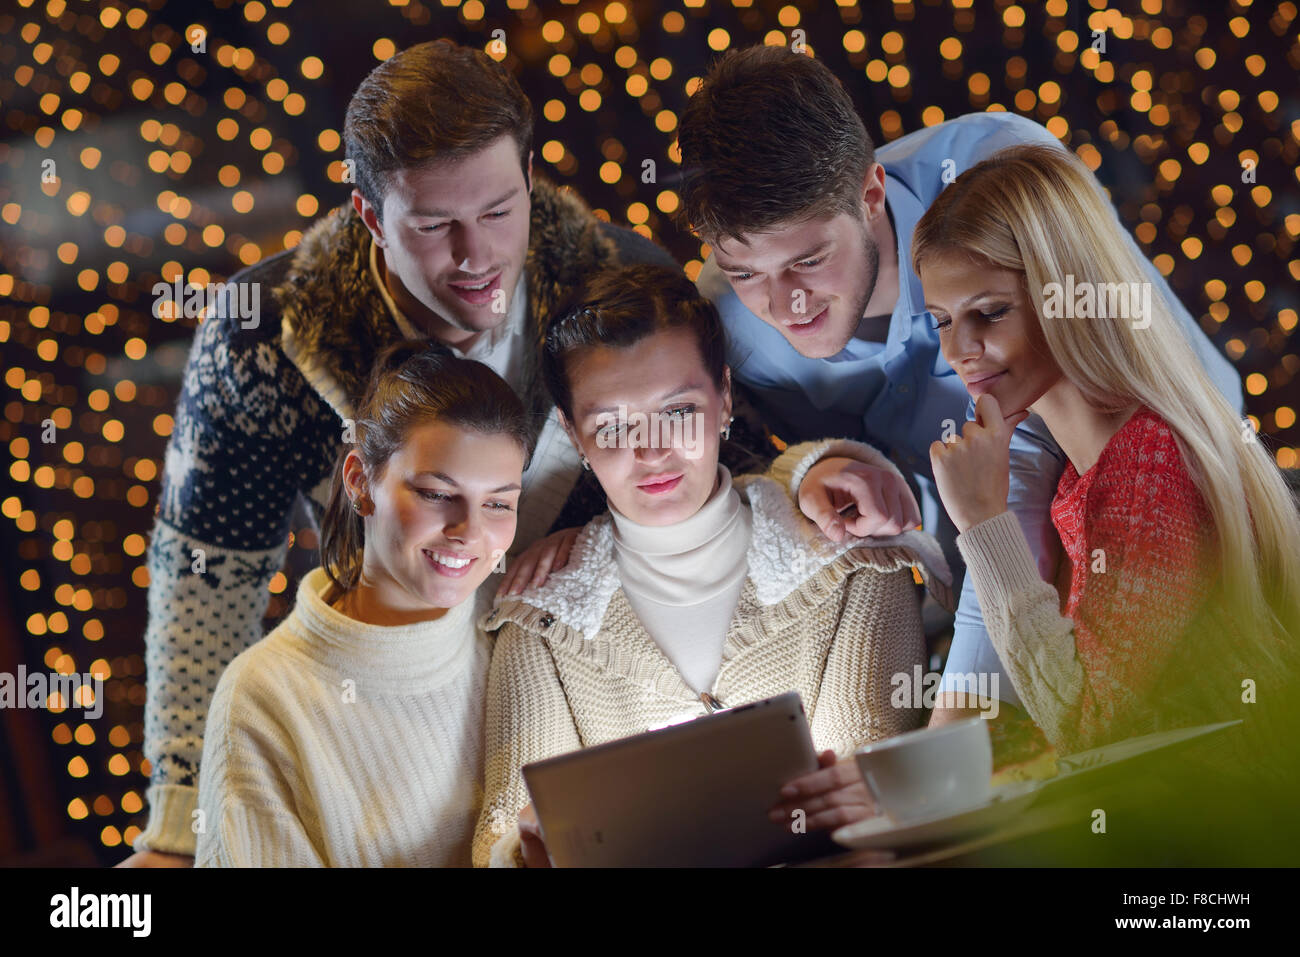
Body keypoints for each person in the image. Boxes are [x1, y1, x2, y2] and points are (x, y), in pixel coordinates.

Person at [125, 39, 681, 866]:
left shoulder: (622, 286)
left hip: (598, 703)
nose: (478, 256)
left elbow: (727, 475)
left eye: (499, 211)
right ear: (370, 217)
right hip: (388, 713)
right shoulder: (261, 335)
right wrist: (178, 826)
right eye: (434, 226)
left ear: (530, 178)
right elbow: (208, 571)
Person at [676, 45, 1244, 728]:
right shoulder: (733, 326)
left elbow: (1054, 450)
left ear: (871, 192)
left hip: (1155, 531)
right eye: (746, 273)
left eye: (809, 259)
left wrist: (957, 731)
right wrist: (824, 469)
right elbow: (845, 489)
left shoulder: (1001, 175)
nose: (785, 303)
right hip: (987, 597)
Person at [472, 264, 952, 867]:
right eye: (613, 427)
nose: (652, 452)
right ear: (573, 434)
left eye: (678, 411)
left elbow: (881, 786)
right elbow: (505, 825)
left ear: (724, 397)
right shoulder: (540, 622)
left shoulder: (854, 568)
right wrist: (522, 853)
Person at [914, 144, 1300, 766]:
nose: (959, 349)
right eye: (940, 320)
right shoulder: (1083, 473)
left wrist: (985, 525)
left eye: (989, 313)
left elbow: (1090, 723)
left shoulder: (1148, 461)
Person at [195, 343, 532, 866]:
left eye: (497, 503)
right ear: (360, 482)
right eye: (436, 494)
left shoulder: (519, 626)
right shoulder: (263, 696)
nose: (470, 532)